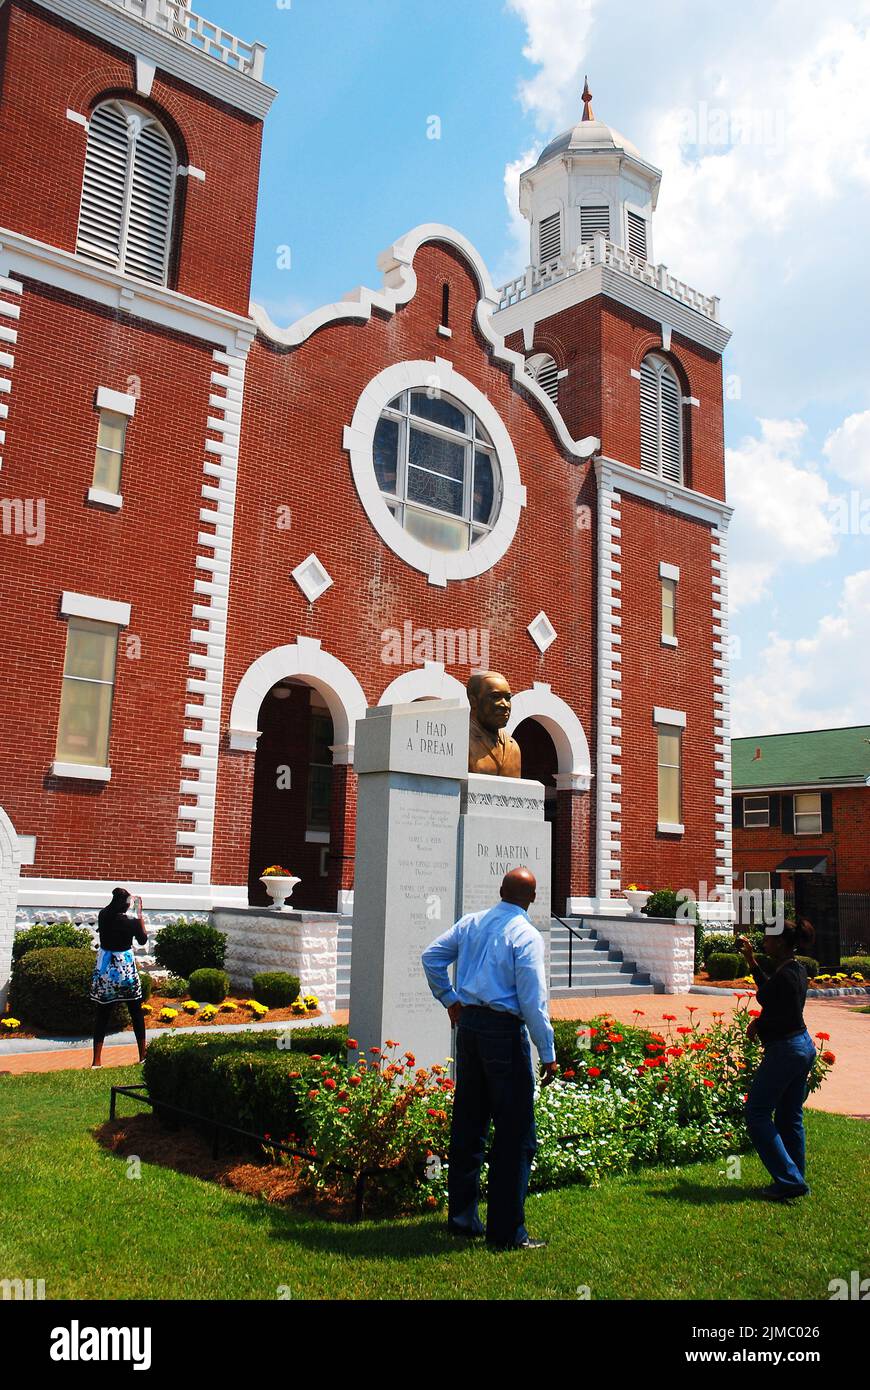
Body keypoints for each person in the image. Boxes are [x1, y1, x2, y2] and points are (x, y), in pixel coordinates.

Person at [421, 867, 559, 1250]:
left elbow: (431, 957)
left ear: (500, 890)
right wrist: (547, 1052)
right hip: (502, 1032)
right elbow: (533, 1002)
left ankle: (463, 1220)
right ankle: (506, 1233)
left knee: (469, 1125)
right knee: (515, 1135)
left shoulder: (472, 922)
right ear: (533, 899)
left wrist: (450, 1000)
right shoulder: (526, 935)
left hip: (470, 1029)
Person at [736, 917, 818, 1201]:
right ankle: (794, 1178)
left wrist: (751, 962)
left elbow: (766, 996)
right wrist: (761, 1023)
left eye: (769, 938)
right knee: (788, 1115)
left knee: (757, 1112)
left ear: (782, 942)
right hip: (801, 1045)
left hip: (787, 1050)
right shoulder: (796, 969)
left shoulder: (786, 975)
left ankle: (789, 1180)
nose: (764, 942)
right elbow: (781, 1008)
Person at [91, 887, 148, 1068]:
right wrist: (140, 916)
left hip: (106, 970)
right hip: (125, 971)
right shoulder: (131, 922)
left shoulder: (103, 916)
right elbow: (143, 940)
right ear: (125, 904)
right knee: (136, 1012)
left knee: (103, 1014)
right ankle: (142, 1056)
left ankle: (96, 1061)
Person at [466, 671, 522, 778]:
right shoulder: (460, 740)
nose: (505, 705)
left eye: (508, 698)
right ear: (474, 701)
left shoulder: (513, 746)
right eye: (496, 696)